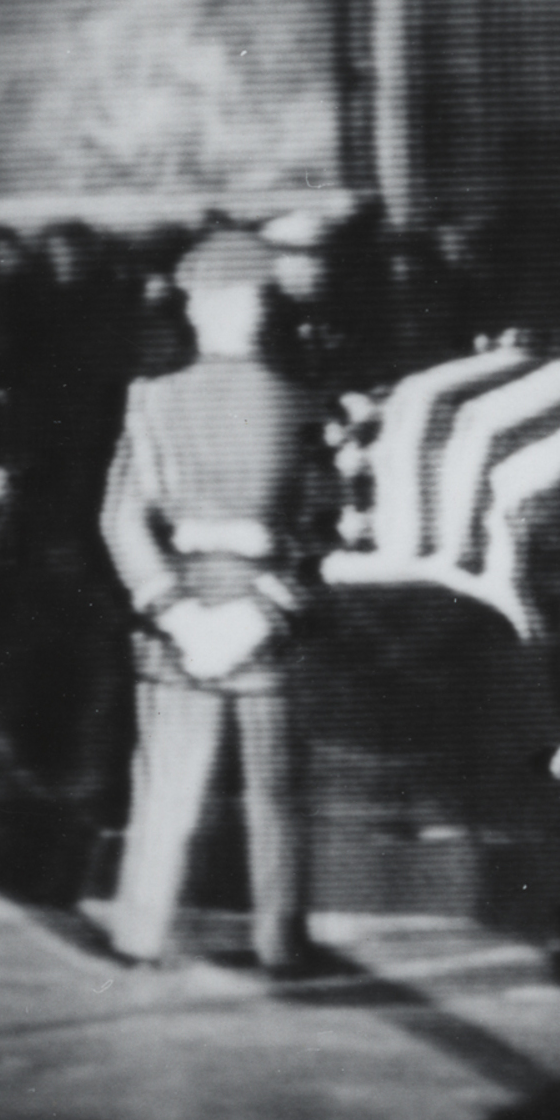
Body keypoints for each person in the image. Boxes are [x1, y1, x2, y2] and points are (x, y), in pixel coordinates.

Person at [98, 228, 335, 974]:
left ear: (196, 308)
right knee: (280, 795)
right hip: (270, 622)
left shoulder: (152, 401)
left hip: (178, 618)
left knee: (165, 788)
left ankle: (140, 933)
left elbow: (119, 519)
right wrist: (266, 605)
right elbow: (327, 529)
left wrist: (170, 607)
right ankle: (281, 942)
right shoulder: (310, 405)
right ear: (263, 307)